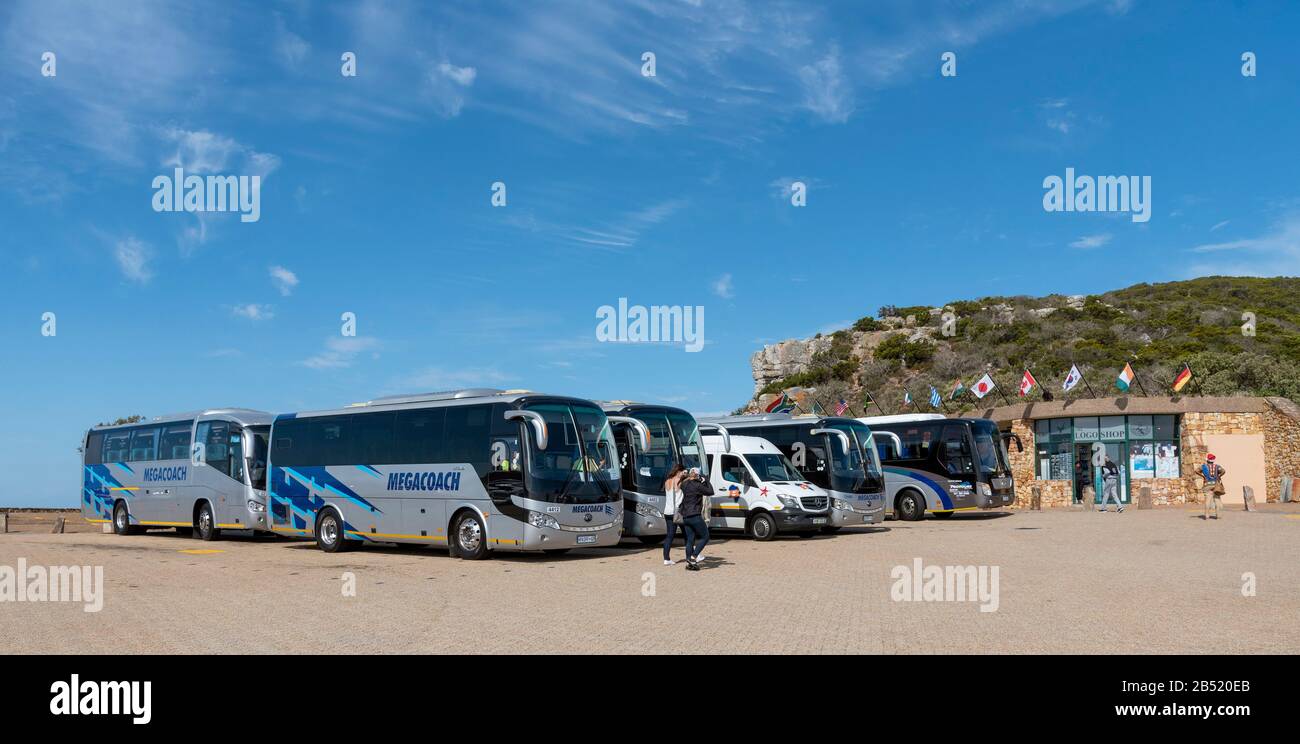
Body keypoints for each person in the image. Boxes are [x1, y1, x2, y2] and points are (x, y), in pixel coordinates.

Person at [679, 468, 712, 570]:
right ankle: (694, 556)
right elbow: (710, 491)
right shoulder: (698, 486)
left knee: (690, 539)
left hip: (685, 516)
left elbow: (685, 481)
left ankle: (689, 561)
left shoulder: (684, 484)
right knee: (705, 536)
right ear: (697, 475)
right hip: (694, 515)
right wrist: (706, 480)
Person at [660, 464, 685, 566]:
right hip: (678, 512)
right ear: (679, 471)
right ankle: (693, 555)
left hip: (667, 511)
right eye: (683, 471)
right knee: (687, 534)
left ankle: (666, 559)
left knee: (670, 536)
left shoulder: (667, 481)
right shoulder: (679, 481)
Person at [1199, 453, 1226, 520]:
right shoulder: (1217, 466)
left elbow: (1196, 471)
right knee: (1217, 499)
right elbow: (1223, 471)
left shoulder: (1203, 466)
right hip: (1215, 484)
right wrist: (1219, 476)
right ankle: (1218, 515)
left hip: (1207, 485)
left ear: (1207, 460)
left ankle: (1207, 515)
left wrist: (1203, 476)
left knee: (1208, 500)